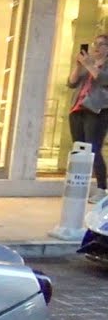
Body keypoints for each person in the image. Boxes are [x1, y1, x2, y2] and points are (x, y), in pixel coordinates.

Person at [67, 34, 108, 203]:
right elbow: (71, 83)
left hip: (97, 111)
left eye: (101, 44)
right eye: (94, 44)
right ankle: (78, 185)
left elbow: (103, 79)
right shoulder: (87, 64)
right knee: (79, 150)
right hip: (78, 110)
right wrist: (78, 66)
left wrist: (89, 64)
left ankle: (102, 189)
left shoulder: (101, 66)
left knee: (93, 149)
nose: (96, 47)